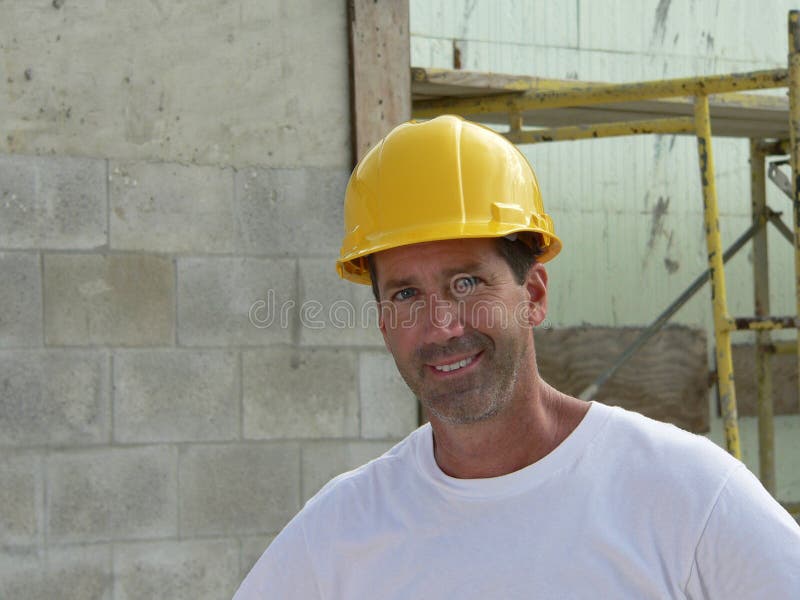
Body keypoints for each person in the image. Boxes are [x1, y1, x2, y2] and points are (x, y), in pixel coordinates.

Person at [233, 115, 800, 599]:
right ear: (384, 321)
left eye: (466, 283)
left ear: (533, 296)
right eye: (406, 294)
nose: (441, 325)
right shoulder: (340, 533)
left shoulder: (686, 495)